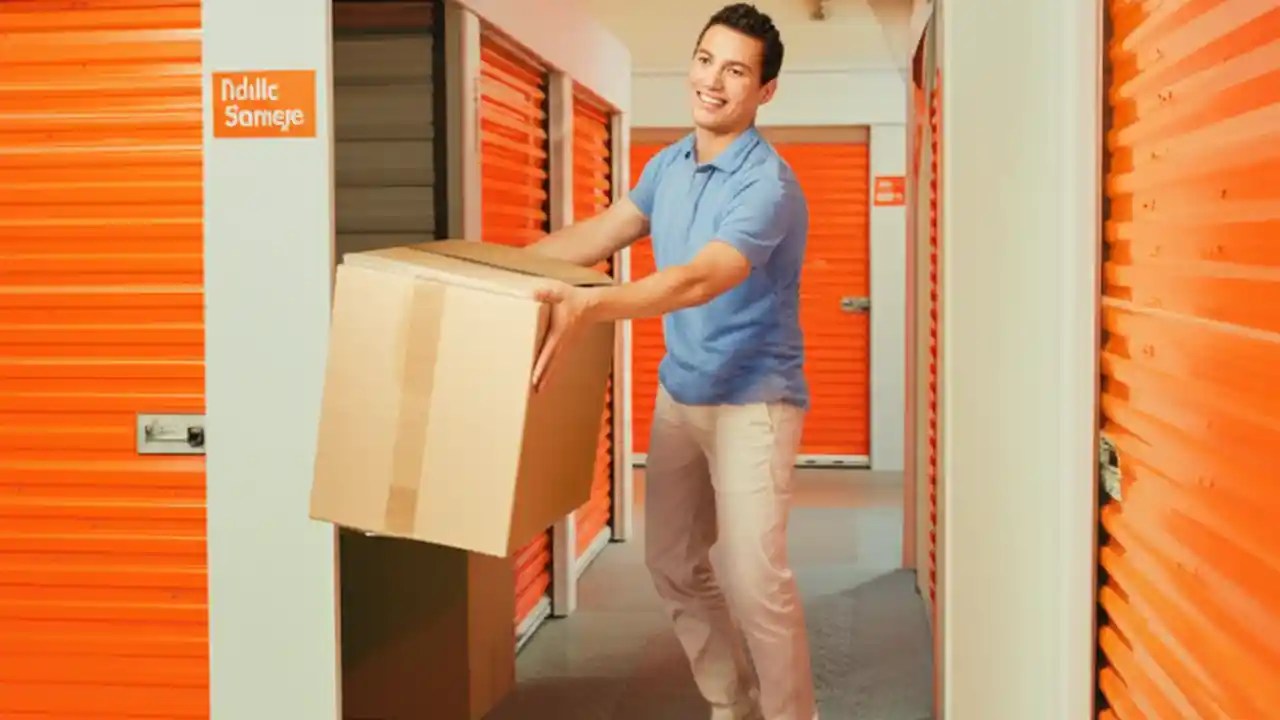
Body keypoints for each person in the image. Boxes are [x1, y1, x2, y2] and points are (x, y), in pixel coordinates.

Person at [528, 4, 816, 719]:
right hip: (682, 397)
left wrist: (591, 306)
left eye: (737, 70)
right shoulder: (667, 165)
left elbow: (697, 279)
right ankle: (733, 703)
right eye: (706, 60)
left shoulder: (767, 187)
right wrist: (489, 265)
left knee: (756, 579)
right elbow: (600, 232)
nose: (714, 81)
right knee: (673, 566)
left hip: (755, 401)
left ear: (765, 91)